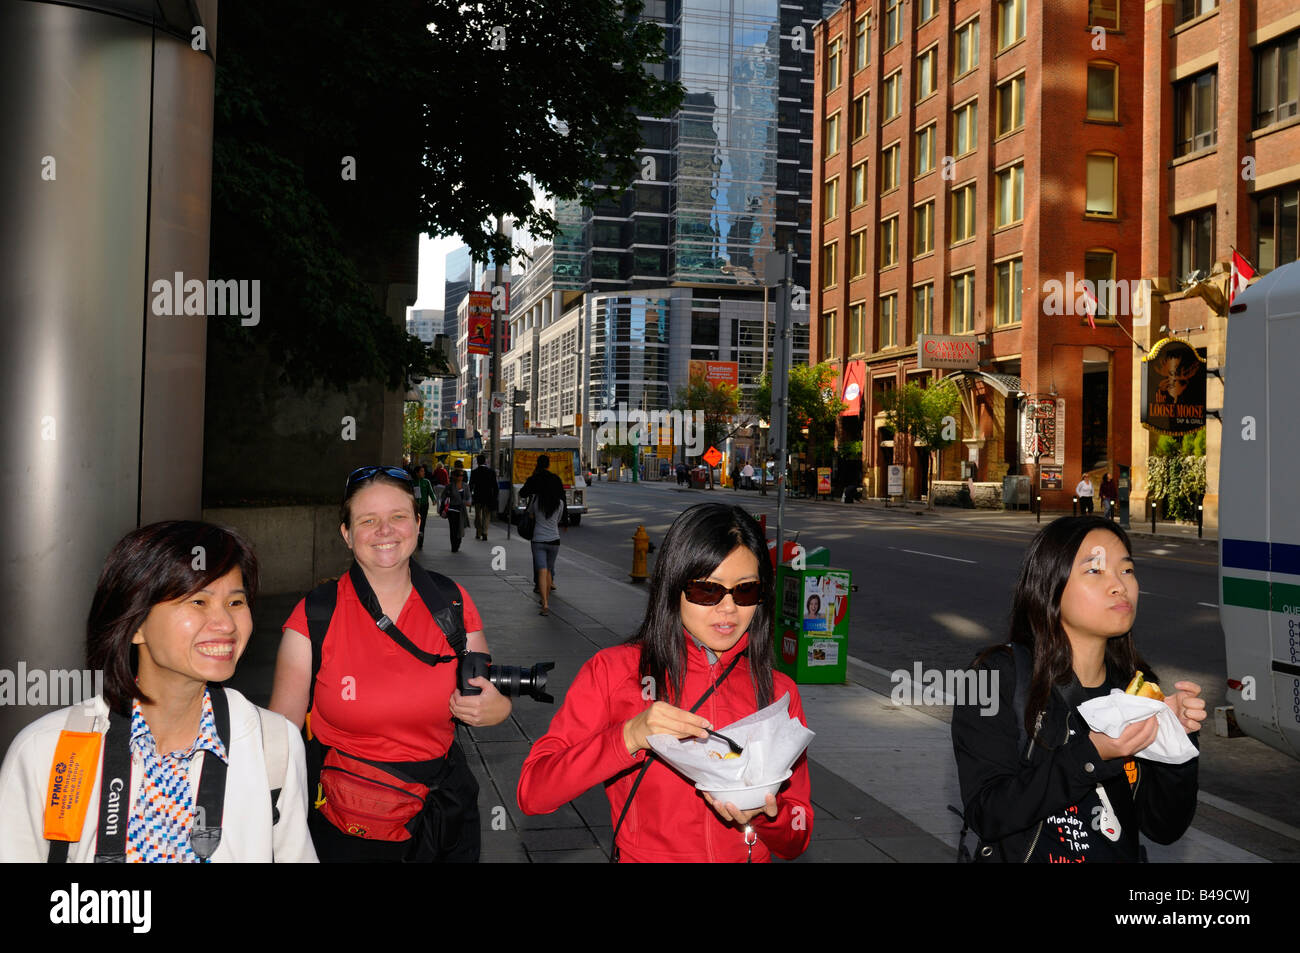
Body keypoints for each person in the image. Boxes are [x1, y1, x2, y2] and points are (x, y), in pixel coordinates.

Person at [0, 521, 316, 862]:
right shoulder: (48, 750)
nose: (225, 623)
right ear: (135, 625)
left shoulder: (273, 745)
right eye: (198, 602)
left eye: (236, 603)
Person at [517, 503, 813, 862]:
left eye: (746, 591)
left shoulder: (779, 691)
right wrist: (628, 736)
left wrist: (771, 815)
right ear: (673, 587)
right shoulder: (613, 671)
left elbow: (797, 836)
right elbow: (534, 792)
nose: (729, 608)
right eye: (707, 590)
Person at [269, 465, 511, 861]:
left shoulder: (452, 602)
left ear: (417, 523)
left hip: (442, 817)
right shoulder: (316, 615)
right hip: (352, 820)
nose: (385, 530)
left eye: (398, 516)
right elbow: (279, 736)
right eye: (368, 520)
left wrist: (497, 709)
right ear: (346, 534)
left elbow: (487, 694)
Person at [950, 516, 1206, 863]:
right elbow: (988, 812)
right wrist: (1090, 757)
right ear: (1050, 585)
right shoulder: (995, 677)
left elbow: (1164, 827)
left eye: (1126, 570)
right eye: (1095, 571)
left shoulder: (1135, 690)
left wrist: (1178, 744)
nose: (1119, 585)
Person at [527, 468, 566, 616]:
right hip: (554, 540)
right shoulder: (560, 503)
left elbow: (530, 516)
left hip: (538, 540)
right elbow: (558, 520)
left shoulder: (536, 500)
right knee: (549, 571)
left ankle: (545, 603)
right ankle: (546, 598)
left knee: (541, 571)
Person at [469, 454, 498, 541]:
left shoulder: (474, 472)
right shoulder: (491, 472)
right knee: (486, 515)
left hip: (478, 497)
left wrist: (470, 496)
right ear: (485, 461)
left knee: (478, 515)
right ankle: (485, 532)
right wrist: (495, 497)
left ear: (477, 462)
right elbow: (495, 486)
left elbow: (471, 485)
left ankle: (478, 532)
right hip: (488, 497)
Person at [443, 467, 470, 553]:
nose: (460, 477)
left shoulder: (465, 486)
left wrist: (467, 502)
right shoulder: (450, 486)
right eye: (458, 475)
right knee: (453, 529)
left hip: (461, 511)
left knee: (460, 528)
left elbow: (469, 498)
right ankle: (454, 546)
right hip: (452, 510)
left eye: (462, 475)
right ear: (454, 476)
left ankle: (458, 543)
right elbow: (443, 497)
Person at [413, 464, 435, 550]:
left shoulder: (426, 482)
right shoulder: (412, 482)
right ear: (417, 473)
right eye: (421, 471)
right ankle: (414, 539)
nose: (424, 472)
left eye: (423, 471)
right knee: (414, 522)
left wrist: (434, 499)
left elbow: (431, 492)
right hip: (415, 506)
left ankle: (420, 541)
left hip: (424, 505)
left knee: (422, 523)